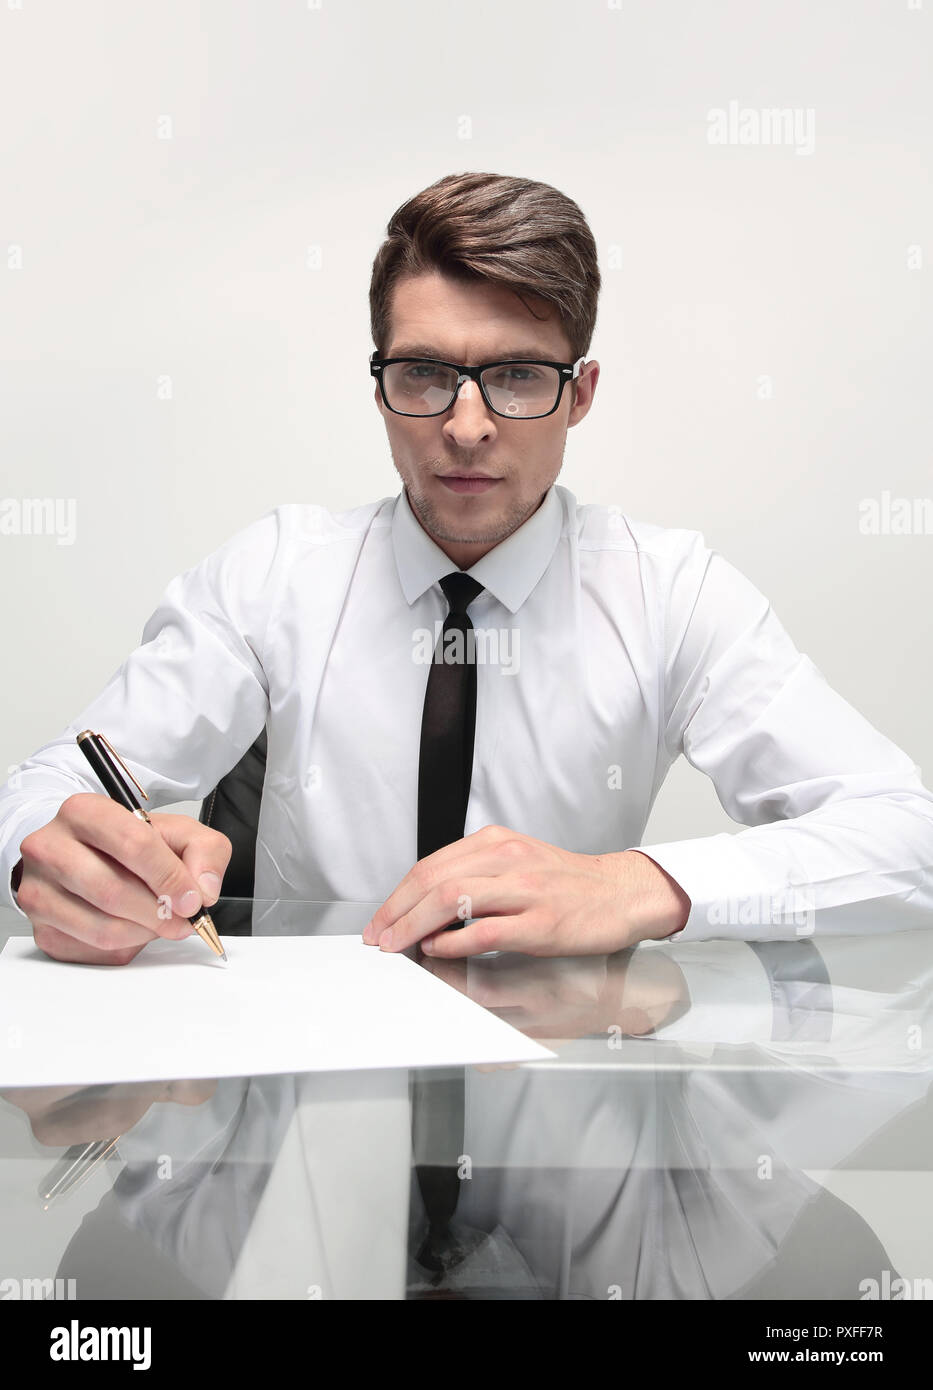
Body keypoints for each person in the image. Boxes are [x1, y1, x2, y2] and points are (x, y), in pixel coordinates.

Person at [2, 171, 931, 967]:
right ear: (379, 389)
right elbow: (48, 787)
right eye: (424, 374)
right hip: (311, 1111)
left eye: (520, 375)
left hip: (570, 1092)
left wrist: (638, 886)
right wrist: (48, 857)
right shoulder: (272, 576)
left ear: (582, 396)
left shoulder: (671, 592)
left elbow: (906, 838)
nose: (468, 425)